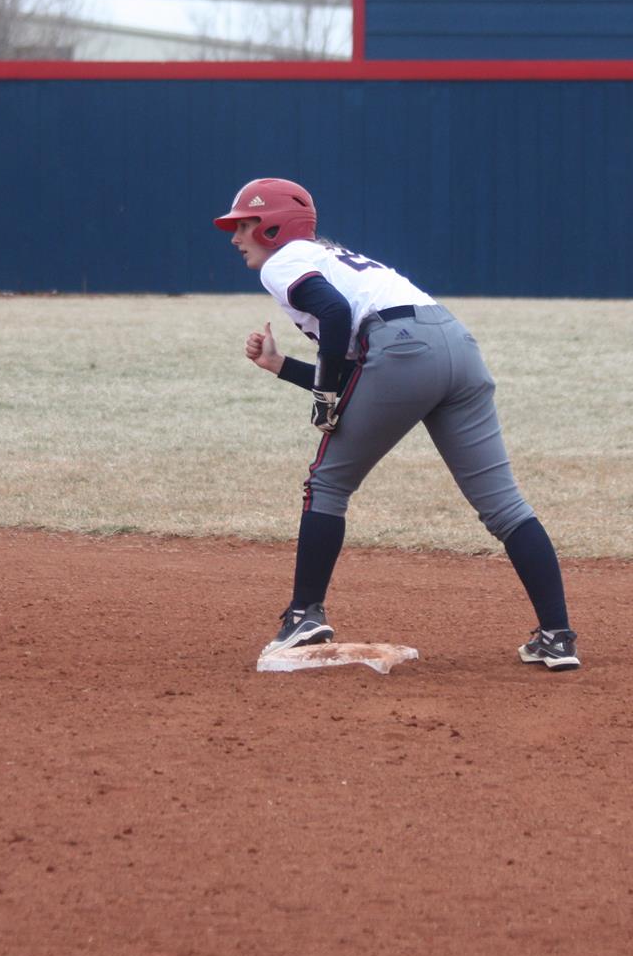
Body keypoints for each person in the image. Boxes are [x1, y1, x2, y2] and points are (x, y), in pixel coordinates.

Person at [215, 177, 581, 671]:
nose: (235, 236)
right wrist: (285, 368)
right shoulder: (335, 259)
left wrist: (324, 392)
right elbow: (362, 372)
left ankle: (304, 615)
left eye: (245, 224)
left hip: (401, 347)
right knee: (504, 505)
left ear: (275, 226)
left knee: (327, 483)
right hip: (455, 345)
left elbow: (337, 314)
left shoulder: (284, 262)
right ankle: (557, 636)